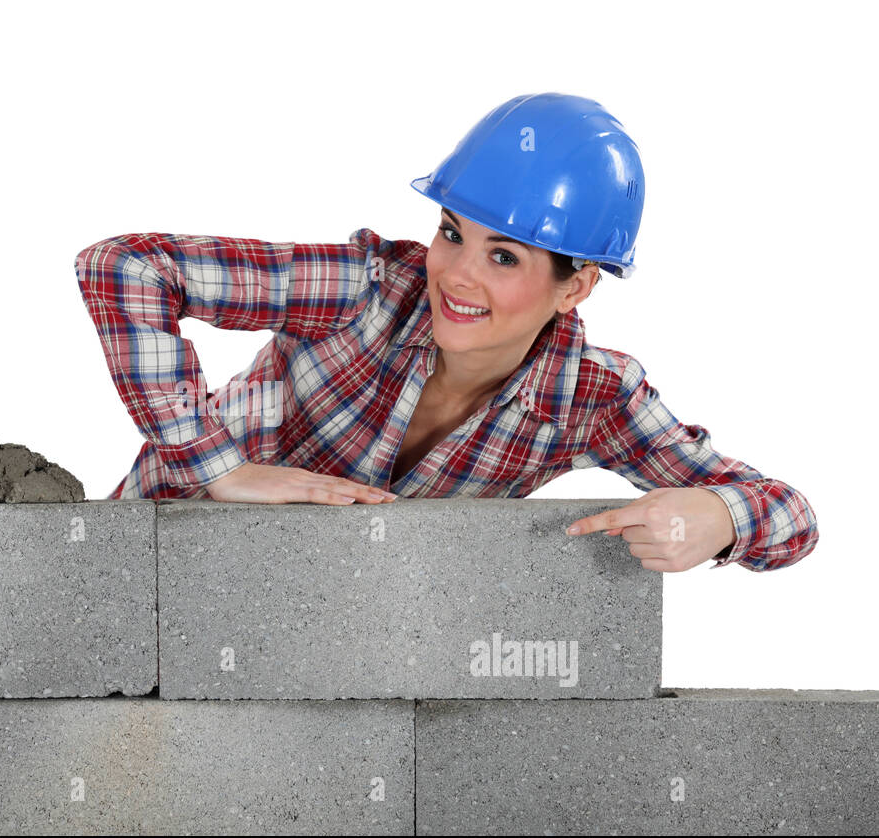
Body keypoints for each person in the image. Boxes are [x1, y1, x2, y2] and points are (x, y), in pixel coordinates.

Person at [74, 93, 818, 573]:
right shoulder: (368, 291)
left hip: (294, 650)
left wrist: (721, 516)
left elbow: (789, 514)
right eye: (451, 233)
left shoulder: (589, 398)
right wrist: (216, 467)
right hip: (138, 570)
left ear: (577, 286)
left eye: (503, 256)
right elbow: (124, 267)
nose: (456, 275)